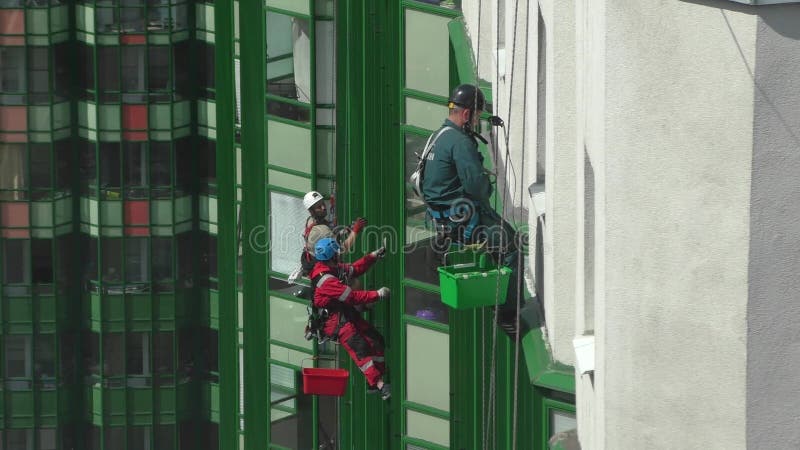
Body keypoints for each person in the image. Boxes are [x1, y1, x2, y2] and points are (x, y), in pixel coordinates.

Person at [420, 84, 524, 319]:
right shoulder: (460, 142)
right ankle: (510, 312)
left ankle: (496, 297)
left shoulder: (437, 137)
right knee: (511, 245)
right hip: (461, 221)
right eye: (476, 116)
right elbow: (477, 188)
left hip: (441, 220)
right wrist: (486, 185)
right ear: (466, 114)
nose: (477, 121)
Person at [310, 237, 392, 400]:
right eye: (337, 254)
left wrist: (373, 256)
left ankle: (375, 381)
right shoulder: (325, 280)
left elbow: (354, 269)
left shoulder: (331, 268)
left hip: (344, 314)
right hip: (335, 322)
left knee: (375, 340)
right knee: (361, 350)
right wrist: (377, 295)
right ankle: (380, 384)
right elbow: (351, 297)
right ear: (331, 257)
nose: (339, 256)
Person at [296, 190, 367, 279]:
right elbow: (343, 249)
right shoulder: (322, 230)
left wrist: (347, 229)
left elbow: (332, 235)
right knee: (354, 282)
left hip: (313, 262)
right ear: (311, 211)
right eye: (319, 207)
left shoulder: (310, 220)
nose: (323, 207)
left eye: (323, 204)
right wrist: (355, 231)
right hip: (323, 269)